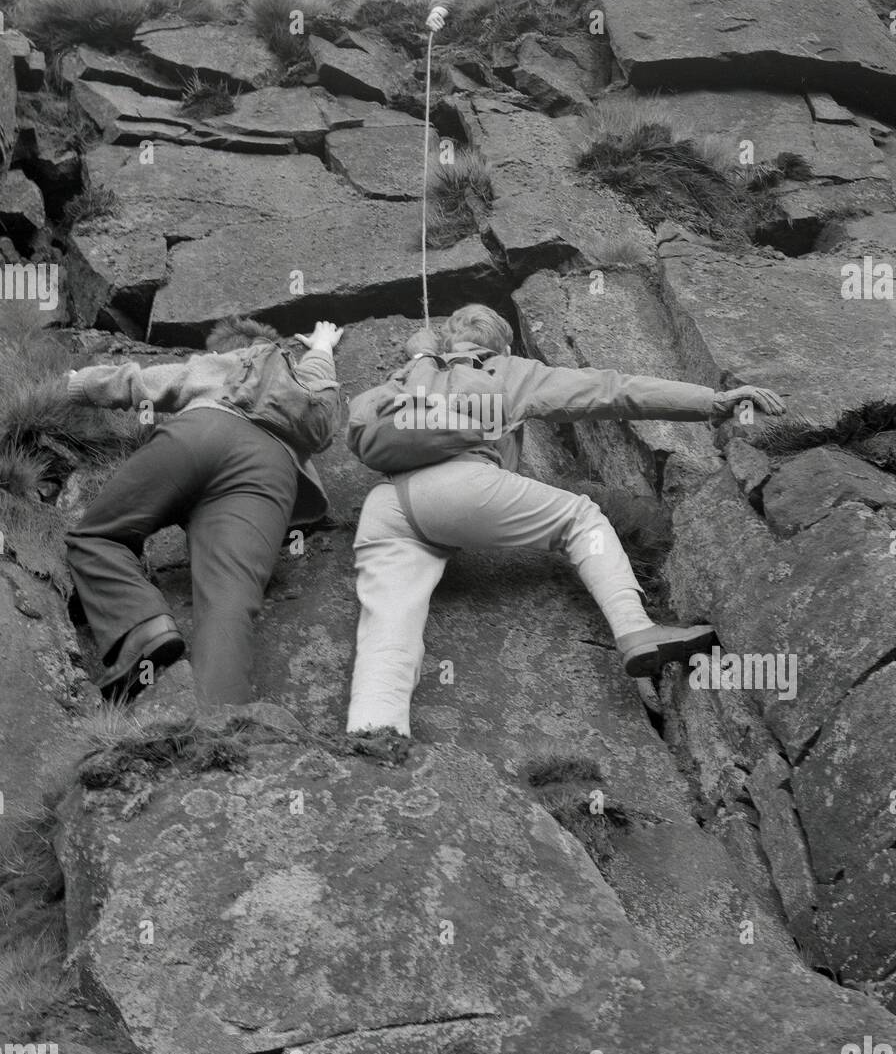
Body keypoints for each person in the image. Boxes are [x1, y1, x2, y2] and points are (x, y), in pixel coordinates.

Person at [345, 304, 786, 738]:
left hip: (387, 506)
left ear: (448, 337)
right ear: (502, 342)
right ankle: (636, 630)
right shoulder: (507, 370)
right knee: (581, 518)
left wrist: (422, 355)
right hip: (461, 488)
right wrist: (711, 401)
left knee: (389, 615)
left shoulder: (411, 374)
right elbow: (610, 391)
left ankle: (375, 729)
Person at [64, 317, 344, 705]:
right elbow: (319, 372)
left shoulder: (223, 362)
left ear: (221, 350)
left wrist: (79, 383)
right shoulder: (298, 383)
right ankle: (219, 730)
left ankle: (143, 625)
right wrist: (323, 343)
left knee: (97, 535)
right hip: (270, 474)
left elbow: (147, 385)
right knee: (227, 605)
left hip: (202, 433)